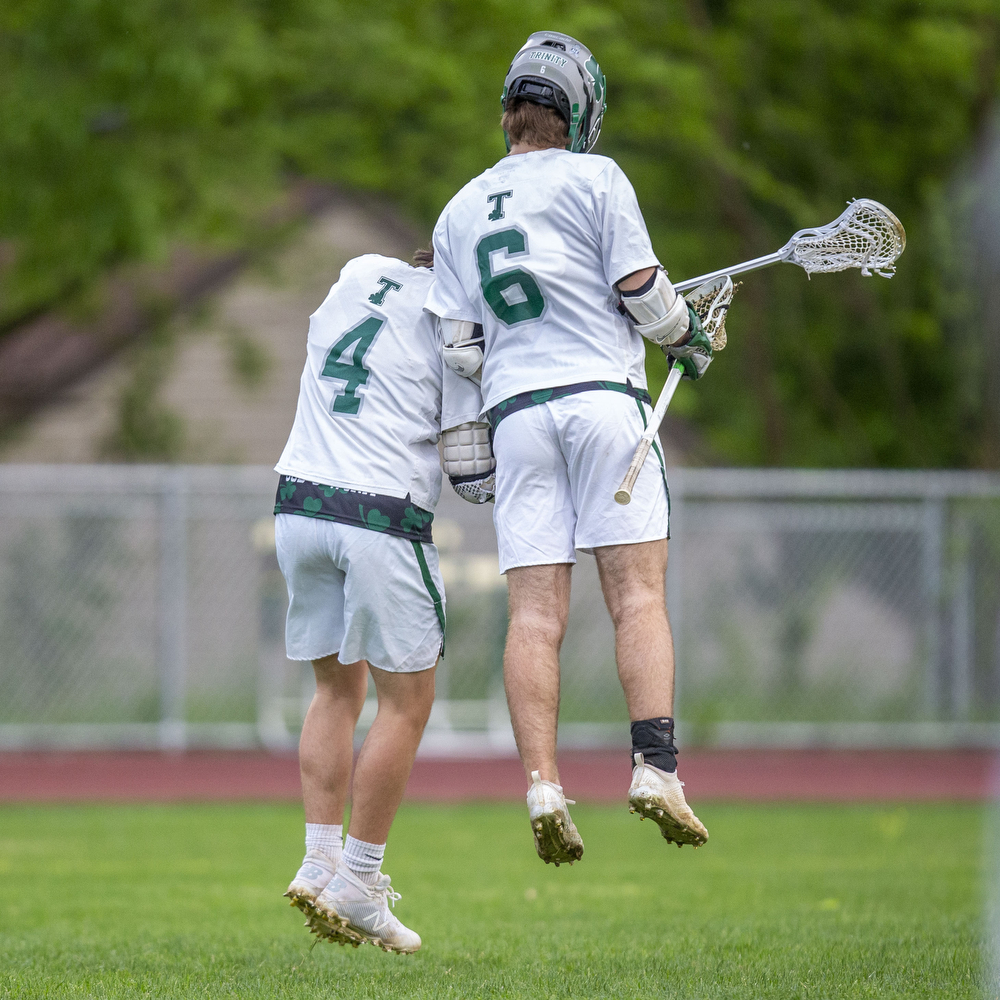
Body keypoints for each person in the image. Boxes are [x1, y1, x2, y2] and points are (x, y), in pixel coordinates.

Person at [425, 31, 710, 866]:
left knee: (537, 616)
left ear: (509, 111)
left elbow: (459, 350)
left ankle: (544, 785)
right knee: (637, 600)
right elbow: (640, 291)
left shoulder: (460, 206)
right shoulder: (599, 177)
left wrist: (466, 438)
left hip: (517, 416)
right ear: (579, 111)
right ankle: (655, 766)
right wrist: (688, 336)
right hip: (602, 406)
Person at [274, 250, 495, 953]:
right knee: (409, 701)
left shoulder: (358, 273)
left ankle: (318, 860)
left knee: (335, 692)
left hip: (298, 502)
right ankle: (359, 880)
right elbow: (471, 473)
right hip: (380, 514)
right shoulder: (453, 324)